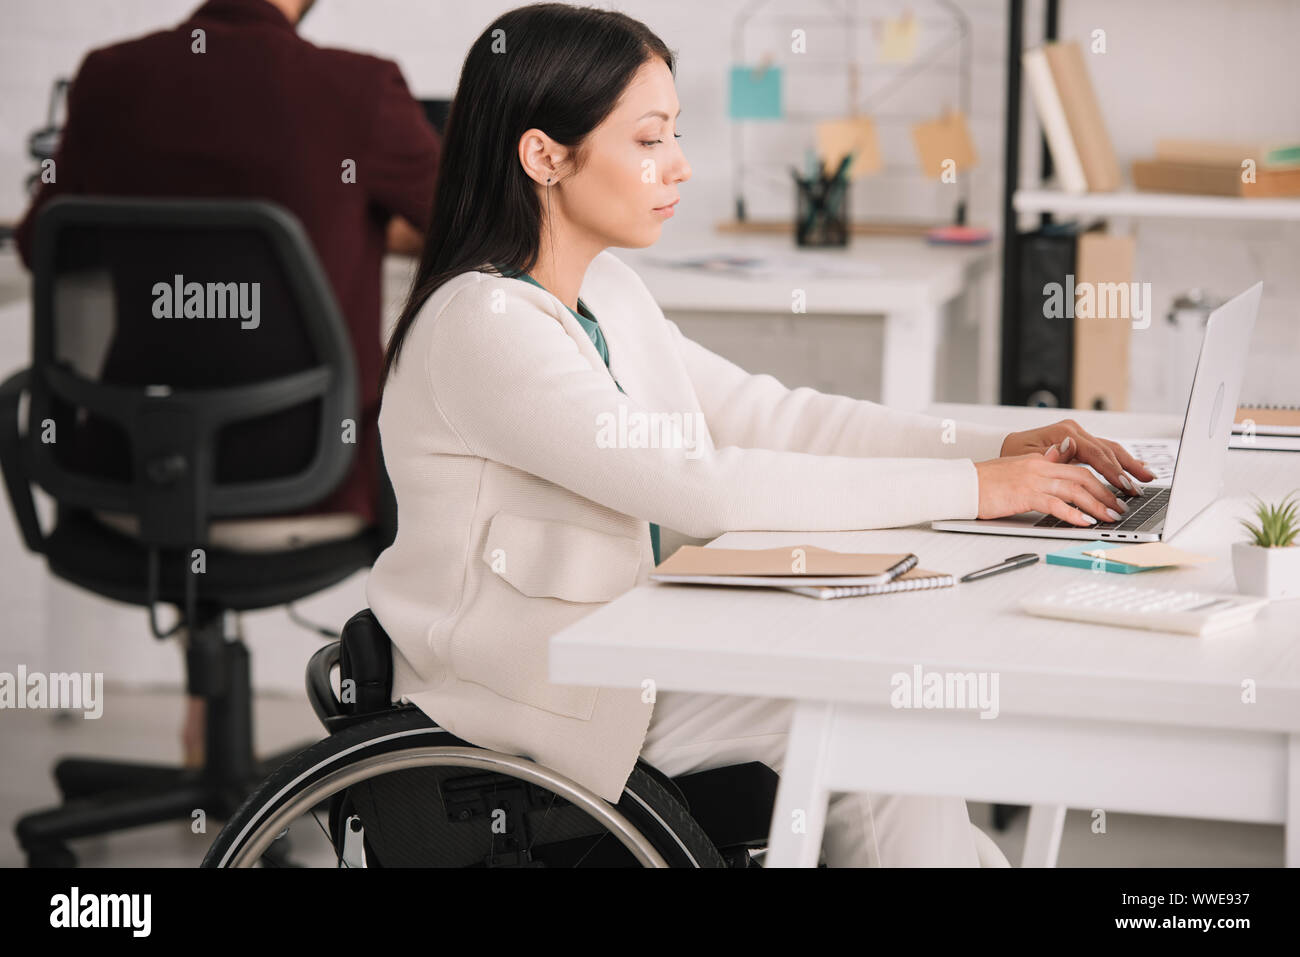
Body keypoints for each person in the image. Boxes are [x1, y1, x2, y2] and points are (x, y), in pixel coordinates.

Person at [367, 2, 1155, 866]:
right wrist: (976, 490)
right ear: (544, 155)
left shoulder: (610, 293)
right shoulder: (481, 324)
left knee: (898, 730)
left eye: (673, 135)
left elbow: (772, 413)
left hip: (634, 646)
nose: (679, 165)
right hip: (538, 689)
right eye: (648, 139)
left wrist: (992, 451)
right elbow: (700, 482)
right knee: (872, 712)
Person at [14, 0, 441, 766]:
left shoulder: (110, 79)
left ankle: (204, 731)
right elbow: (468, 224)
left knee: (186, 389)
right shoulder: (359, 89)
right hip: (309, 485)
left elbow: (44, 240)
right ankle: (431, 750)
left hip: (123, 484)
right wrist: (368, 218)